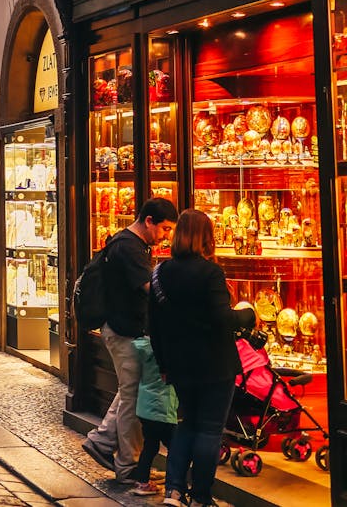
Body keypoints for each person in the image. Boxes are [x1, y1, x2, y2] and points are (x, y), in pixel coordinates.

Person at [151, 210, 254, 507]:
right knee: (209, 429)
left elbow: (154, 325)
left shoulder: (161, 272)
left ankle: (173, 491)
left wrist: (163, 365)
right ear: (206, 237)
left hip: (179, 364)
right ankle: (201, 496)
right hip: (214, 363)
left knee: (187, 424)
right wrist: (249, 315)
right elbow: (222, 318)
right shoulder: (211, 273)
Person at [83, 197, 179, 483]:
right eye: (164, 229)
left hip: (123, 330)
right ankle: (128, 466)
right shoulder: (129, 248)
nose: (166, 236)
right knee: (133, 398)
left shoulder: (128, 243)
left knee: (130, 391)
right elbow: (152, 289)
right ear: (148, 221)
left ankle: (101, 442)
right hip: (123, 331)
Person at [129, 336, 177, 497]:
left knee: (150, 445)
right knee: (175, 447)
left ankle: (141, 482)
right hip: (161, 407)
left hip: (145, 407)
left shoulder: (144, 347)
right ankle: (173, 487)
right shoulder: (167, 350)